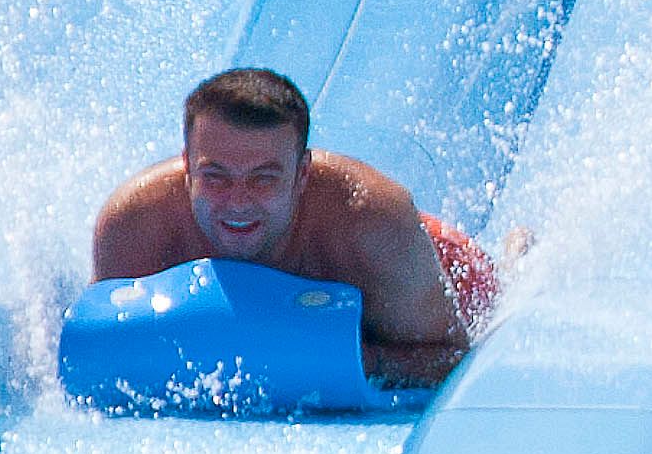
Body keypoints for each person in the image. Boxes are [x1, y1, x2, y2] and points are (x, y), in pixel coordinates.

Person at [87, 65, 501, 387]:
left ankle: (515, 249)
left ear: (303, 174)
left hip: (439, 258)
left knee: (497, 289)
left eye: (264, 178)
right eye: (215, 177)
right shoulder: (134, 225)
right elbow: (98, 357)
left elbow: (452, 358)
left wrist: (329, 355)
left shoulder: (371, 224)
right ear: (187, 167)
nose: (238, 202)